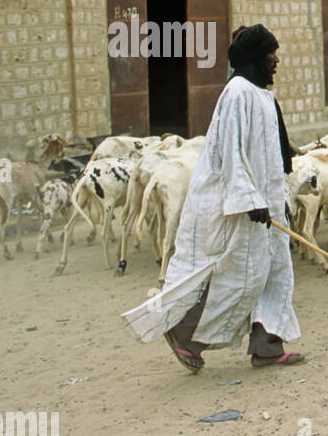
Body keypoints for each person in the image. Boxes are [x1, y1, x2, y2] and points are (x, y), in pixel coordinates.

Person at [121, 24, 304, 371]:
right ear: (254, 57)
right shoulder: (237, 94)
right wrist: (250, 200)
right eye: (271, 54)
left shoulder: (262, 96)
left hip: (266, 209)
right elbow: (229, 154)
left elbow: (271, 157)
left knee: (275, 274)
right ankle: (184, 333)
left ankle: (267, 345)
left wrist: (277, 203)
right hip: (238, 209)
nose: (276, 61)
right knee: (238, 277)